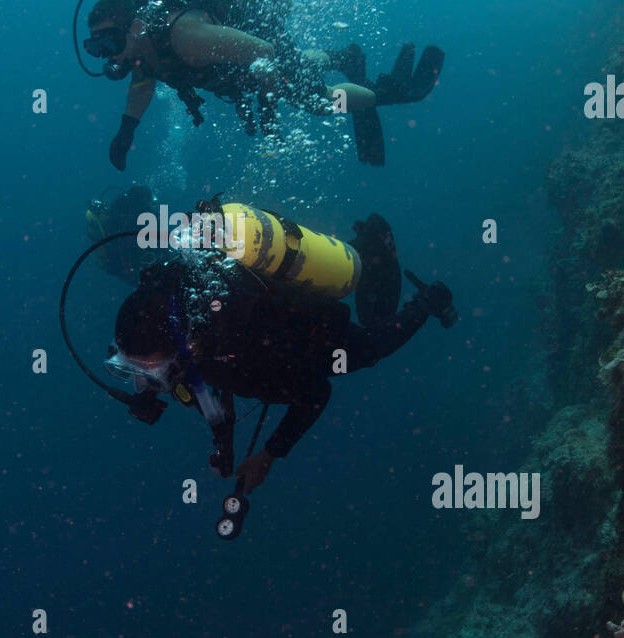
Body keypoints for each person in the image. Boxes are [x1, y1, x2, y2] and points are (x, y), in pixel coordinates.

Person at [103, 211, 457, 492]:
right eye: (127, 369)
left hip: (310, 335)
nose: (140, 384)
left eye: (150, 371)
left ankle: (430, 299)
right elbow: (211, 387)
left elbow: (316, 394)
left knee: (371, 348)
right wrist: (224, 447)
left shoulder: (245, 352)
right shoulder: (173, 312)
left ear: (183, 347)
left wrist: (270, 455)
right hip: (261, 307)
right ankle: (363, 244)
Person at [83, 0, 444, 170]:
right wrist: (126, 129)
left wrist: (269, 106)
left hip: (260, 55)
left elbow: (264, 52)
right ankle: (342, 56)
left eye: (108, 42)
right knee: (295, 67)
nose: (106, 55)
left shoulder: (184, 37)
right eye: (95, 47)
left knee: (316, 101)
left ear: (133, 27)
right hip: (246, 60)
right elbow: (143, 83)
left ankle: (391, 93)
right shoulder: (142, 51)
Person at [85, 184, 158, 285]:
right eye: (146, 205)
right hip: (119, 265)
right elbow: (124, 248)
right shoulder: (123, 221)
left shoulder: (123, 212)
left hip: (119, 265)